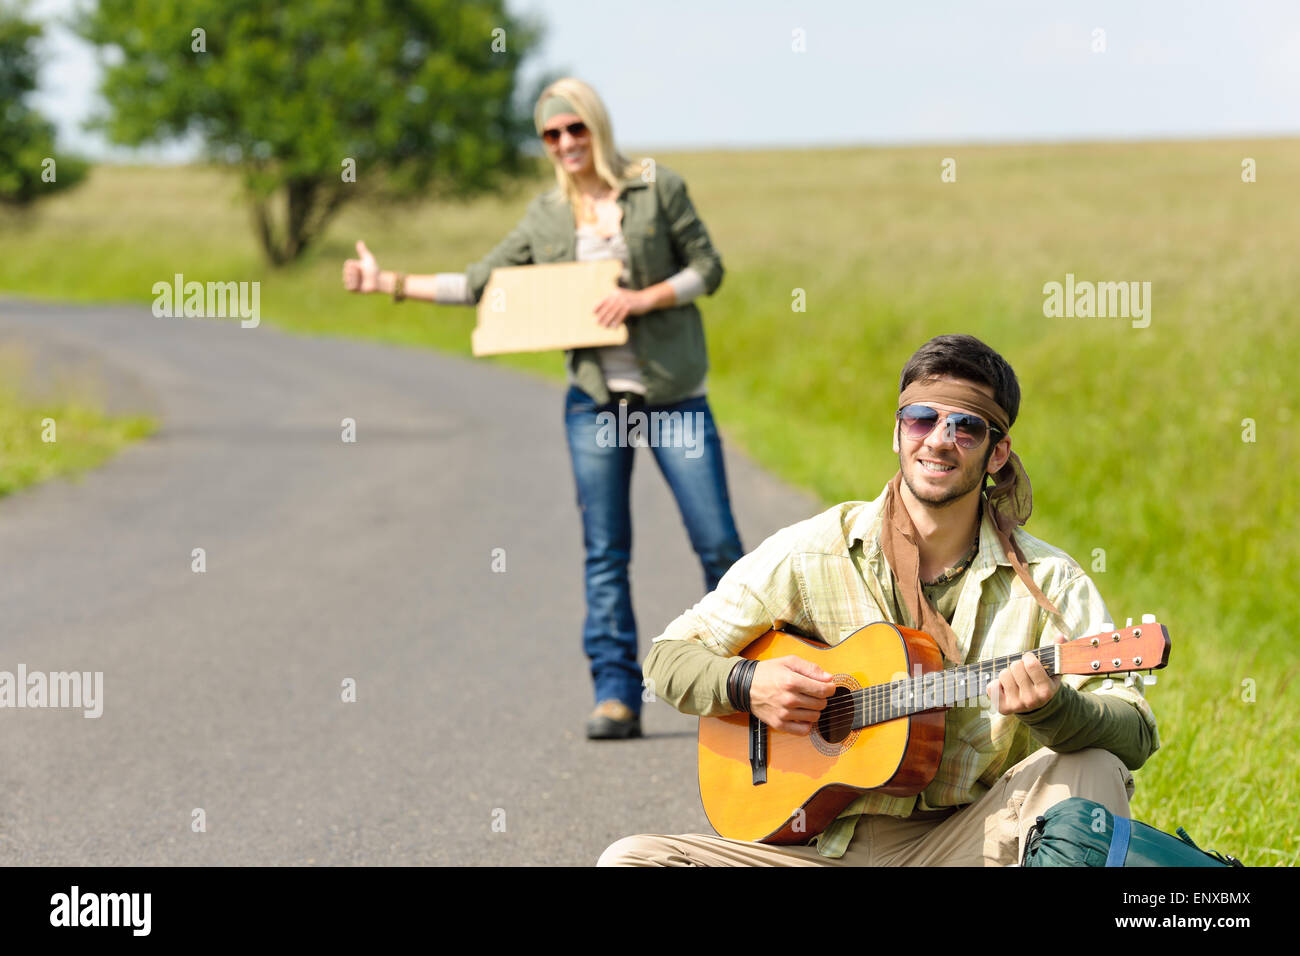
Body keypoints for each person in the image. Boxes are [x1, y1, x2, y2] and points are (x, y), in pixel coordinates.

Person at [598, 334, 1160, 865]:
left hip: (967, 843)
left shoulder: (1048, 580)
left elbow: (1133, 730)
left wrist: (1056, 709)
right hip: (814, 849)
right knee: (629, 859)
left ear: (996, 454)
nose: (939, 439)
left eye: (966, 427)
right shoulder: (814, 550)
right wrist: (750, 685)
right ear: (897, 433)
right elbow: (667, 658)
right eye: (921, 419)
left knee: (1090, 765)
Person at [342, 77, 744, 740]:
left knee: (718, 543)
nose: (565, 144)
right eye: (552, 135)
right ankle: (616, 695)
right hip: (593, 403)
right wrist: (387, 282)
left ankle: (740, 681)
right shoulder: (546, 218)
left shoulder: (655, 187)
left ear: (596, 128)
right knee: (605, 551)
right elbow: (480, 284)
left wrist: (643, 299)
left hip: (672, 396)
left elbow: (710, 269)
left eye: (575, 129)